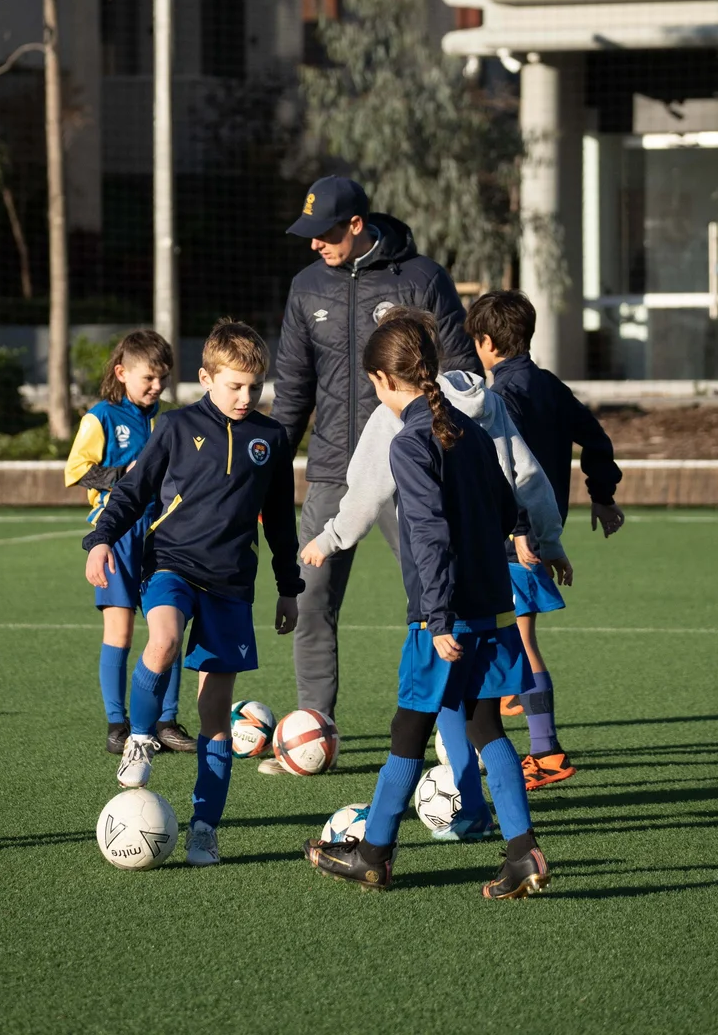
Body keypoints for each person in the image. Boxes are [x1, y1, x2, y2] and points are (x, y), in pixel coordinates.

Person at [303, 311, 550, 897]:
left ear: (386, 382)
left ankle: (373, 856)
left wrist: (437, 618)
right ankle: (523, 853)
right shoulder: (470, 434)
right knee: (487, 726)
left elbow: (429, 531)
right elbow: (506, 505)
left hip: (443, 619)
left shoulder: (411, 443)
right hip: (491, 609)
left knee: (407, 734)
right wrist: (516, 543)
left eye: (373, 386)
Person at [83, 320, 303, 867]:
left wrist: (288, 588)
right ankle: (138, 737)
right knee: (160, 640)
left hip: (231, 584)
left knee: (214, 715)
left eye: (255, 387)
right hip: (172, 563)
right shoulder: (177, 428)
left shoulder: (270, 439)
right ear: (206, 378)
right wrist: (100, 538)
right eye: (233, 386)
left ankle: (205, 827)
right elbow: (134, 492)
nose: (245, 397)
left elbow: (279, 521)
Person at [270, 175, 479, 749]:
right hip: (334, 471)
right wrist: (264, 478)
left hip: (413, 470)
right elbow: (292, 391)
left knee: (431, 596)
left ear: (356, 225)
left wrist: (455, 460)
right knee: (309, 596)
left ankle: (450, 727)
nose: (314, 244)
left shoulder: (422, 278)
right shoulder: (307, 286)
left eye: (324, 233)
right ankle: (316, 727)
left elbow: (463, 375)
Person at [466, 289, 624, 790]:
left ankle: (546, 752)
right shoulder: (550, 385)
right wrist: (602, 493)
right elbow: (596, 437)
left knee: (525, 643)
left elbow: (507, 469)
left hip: (519, 537)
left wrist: (516, 531)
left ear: (486, 343)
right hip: (535, 530)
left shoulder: (501, 398)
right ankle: (515, 704)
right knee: (512, 638)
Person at [64, 330, 193, 756]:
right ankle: (117, 725)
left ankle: (166, 720)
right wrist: (128, 474)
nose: (157, 387)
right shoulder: (101, 417)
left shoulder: (172, 418)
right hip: (115, 536)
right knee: (119, 633)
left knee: (168, 627)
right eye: (149, 378)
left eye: (163, 379)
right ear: (122, 373)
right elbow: (76, 471)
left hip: (162, 535)